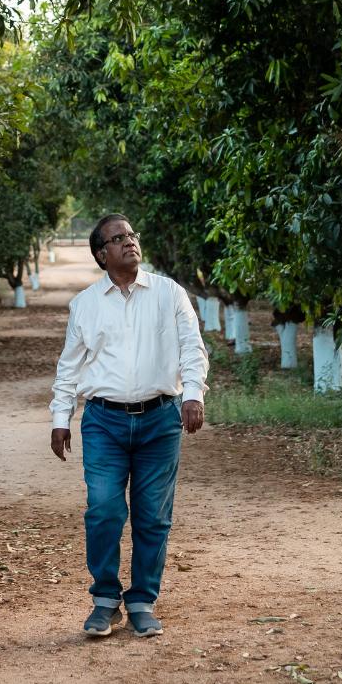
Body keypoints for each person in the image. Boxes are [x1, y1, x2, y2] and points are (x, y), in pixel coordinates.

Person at [50, 214, 208, 638]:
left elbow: (192, 347)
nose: (129, 242)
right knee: (104, 509)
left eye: (132, 235)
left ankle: (141, 601)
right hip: (104, 422)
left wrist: (193, 394)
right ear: (102, 255)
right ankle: (105, 599)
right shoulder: (85, 304)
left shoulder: (169, 292)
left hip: (161, 419)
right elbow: (69, 367)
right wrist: (60, 418)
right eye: (118, 239)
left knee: (153, 516)